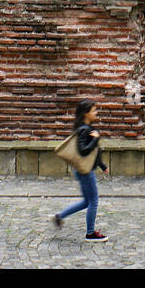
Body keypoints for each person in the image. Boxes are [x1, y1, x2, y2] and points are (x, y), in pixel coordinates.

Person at [53, 99, 109, 242]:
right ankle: (90, 233)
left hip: (85, 170)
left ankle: (60, 216)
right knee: (94, 201)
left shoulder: (88, 128)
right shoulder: (84, 130)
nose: (96, 113)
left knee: (86, 201)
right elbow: (84, 151)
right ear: (86, 114)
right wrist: (95, 139)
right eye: (94, 110)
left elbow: (93, 154)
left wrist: (102, 166)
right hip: (85, 172)